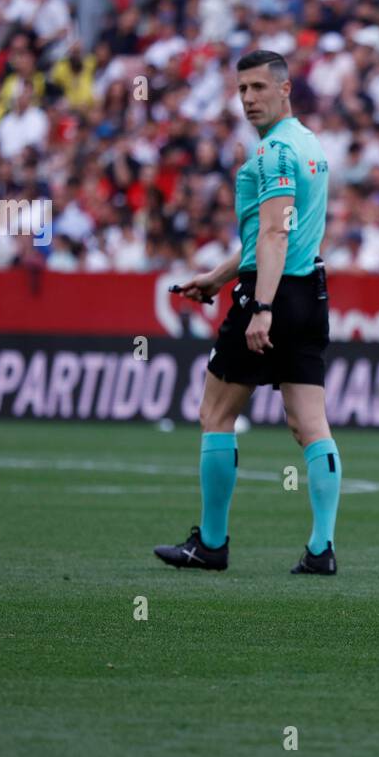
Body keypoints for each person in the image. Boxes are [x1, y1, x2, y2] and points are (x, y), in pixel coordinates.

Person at [155, 50, 341, 576]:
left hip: (273, 293)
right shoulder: (309, 146)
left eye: (259, 87)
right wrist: (219, 277)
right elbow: (274, 233)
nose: (248, 98)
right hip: (311, 294)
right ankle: (321, 548)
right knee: (310, 425)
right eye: (242, 90)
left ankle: (211, 544)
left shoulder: (275, 154)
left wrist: (260, 305)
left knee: (216, 414)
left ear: (285, 89)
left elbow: (276, 232)